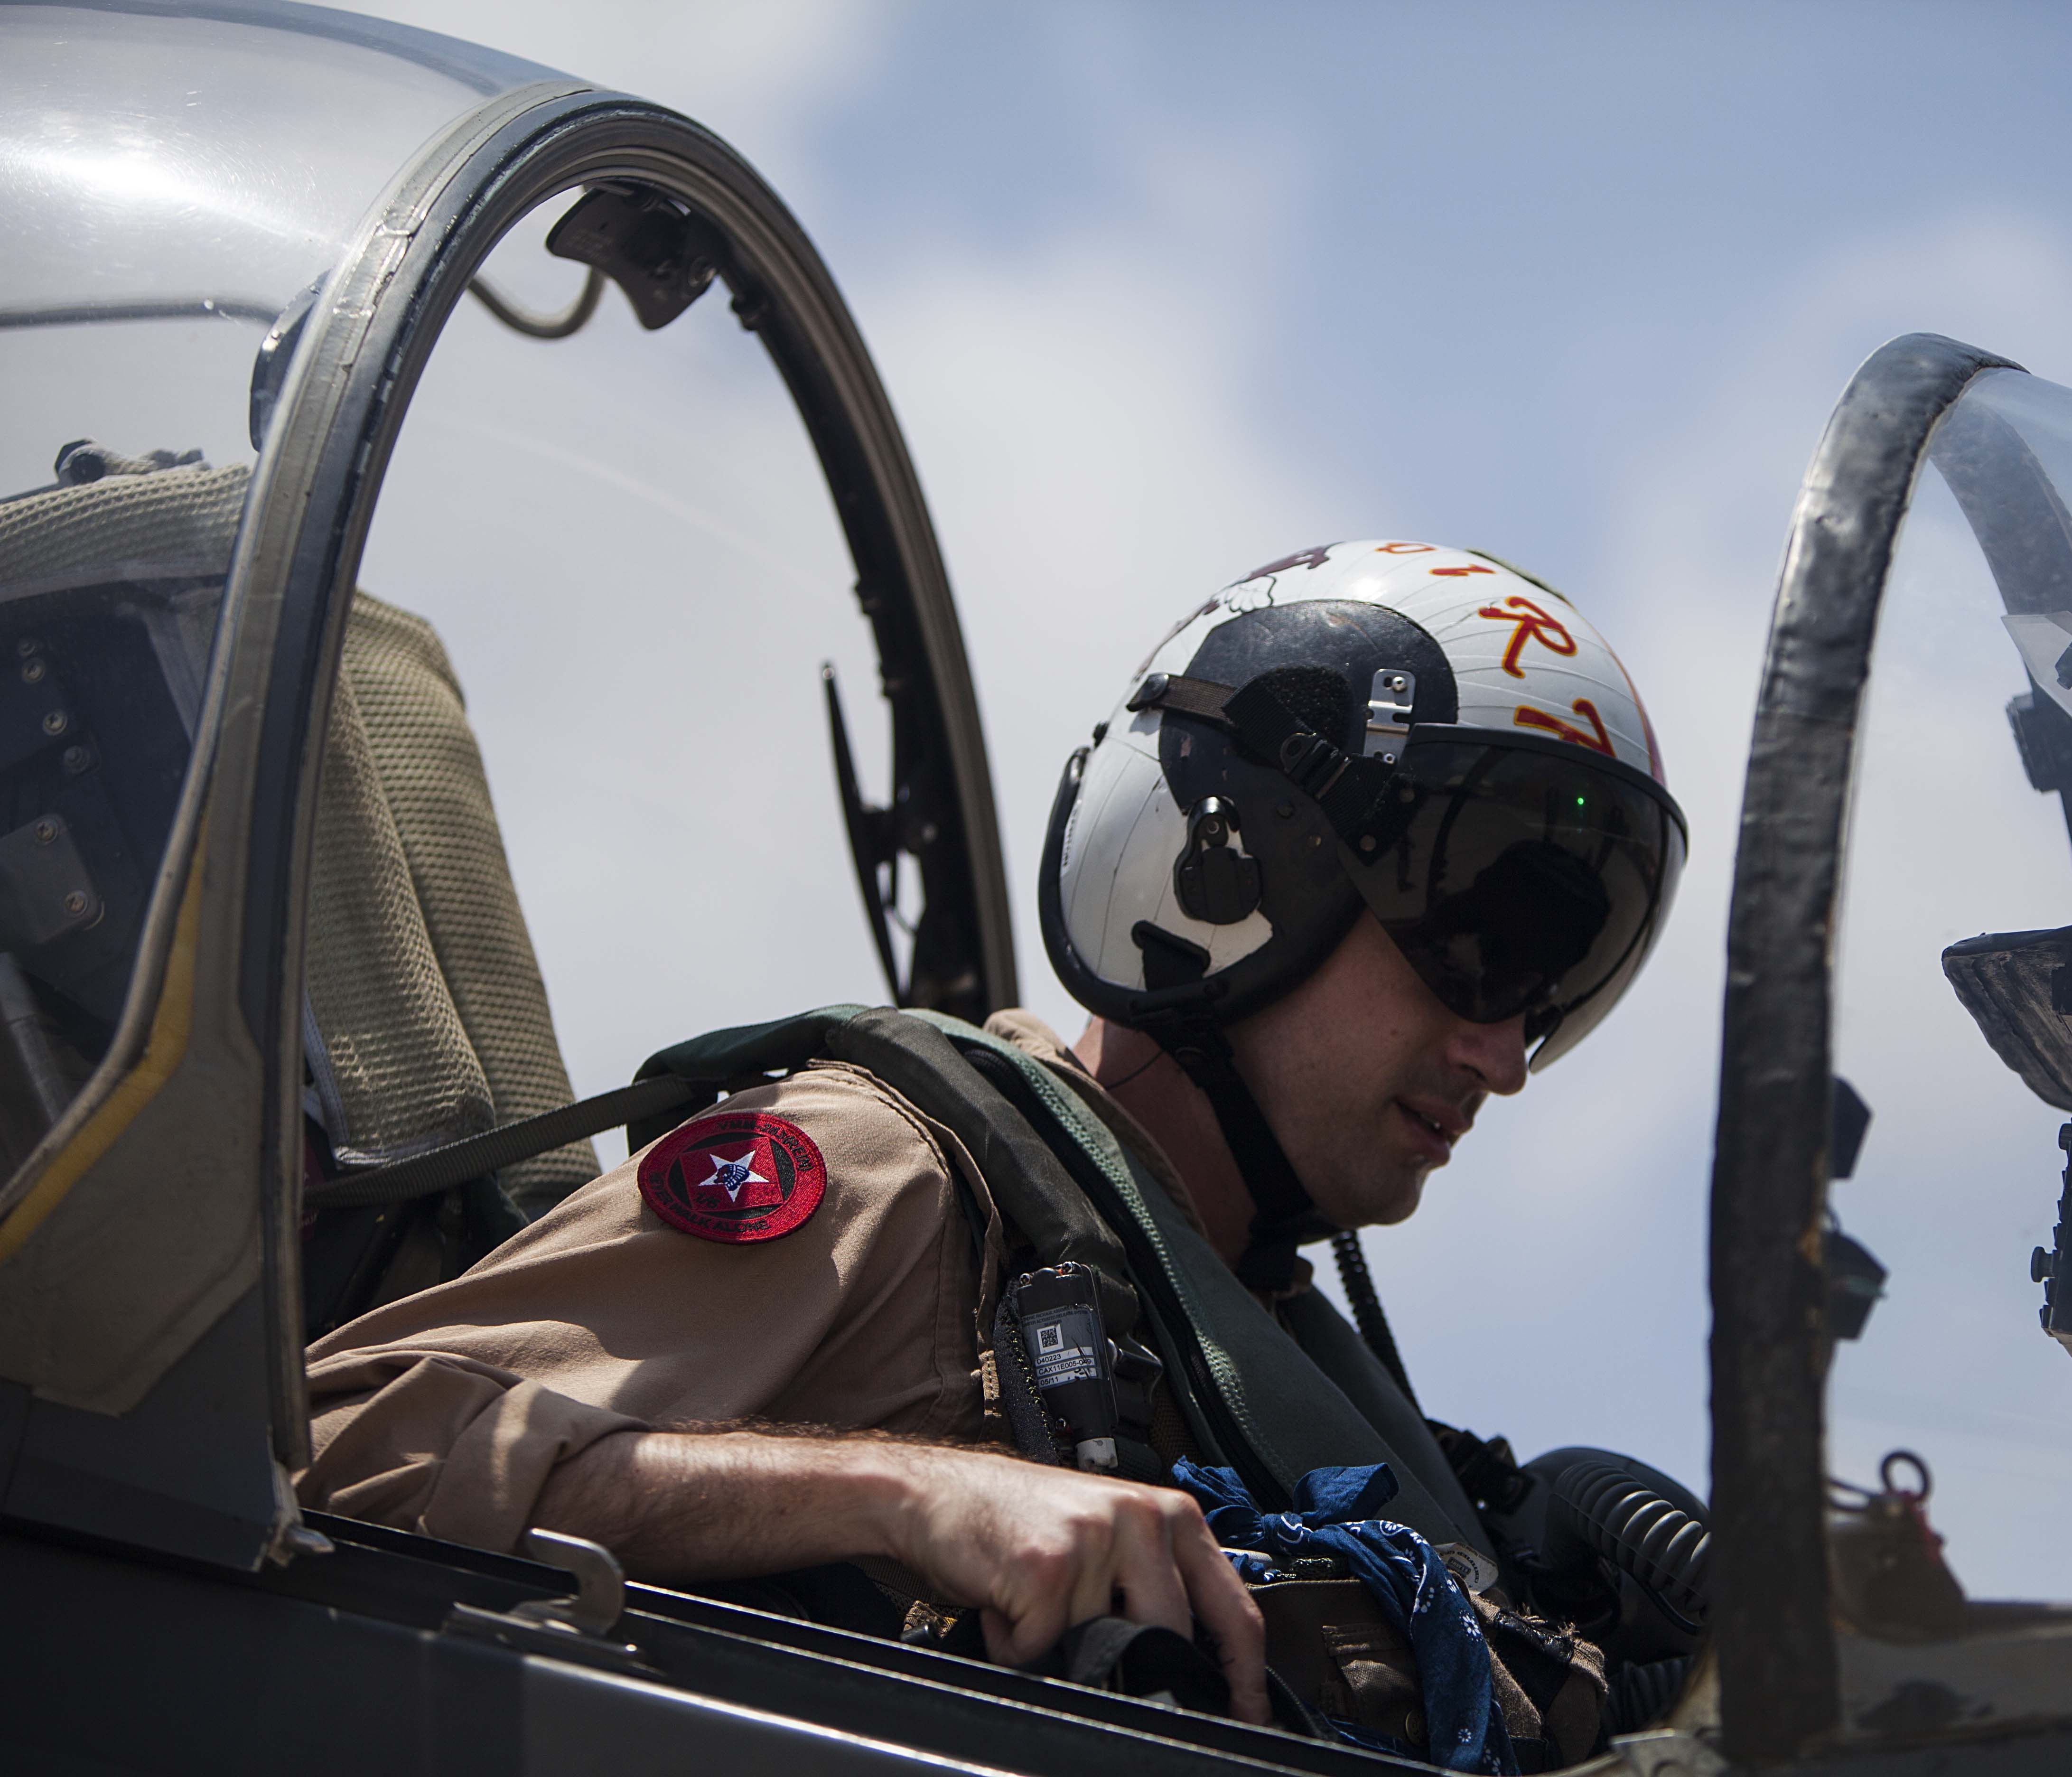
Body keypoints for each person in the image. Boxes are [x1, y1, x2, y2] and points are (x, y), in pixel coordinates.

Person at [299, 540, 1685, 1749]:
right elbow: (336, 1455)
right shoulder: (903, 1176)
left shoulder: (1290, 1365)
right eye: (1481, 956)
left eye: (1546, 996)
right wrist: (895, 1492)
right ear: (1244, 875)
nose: (1504, 1059)